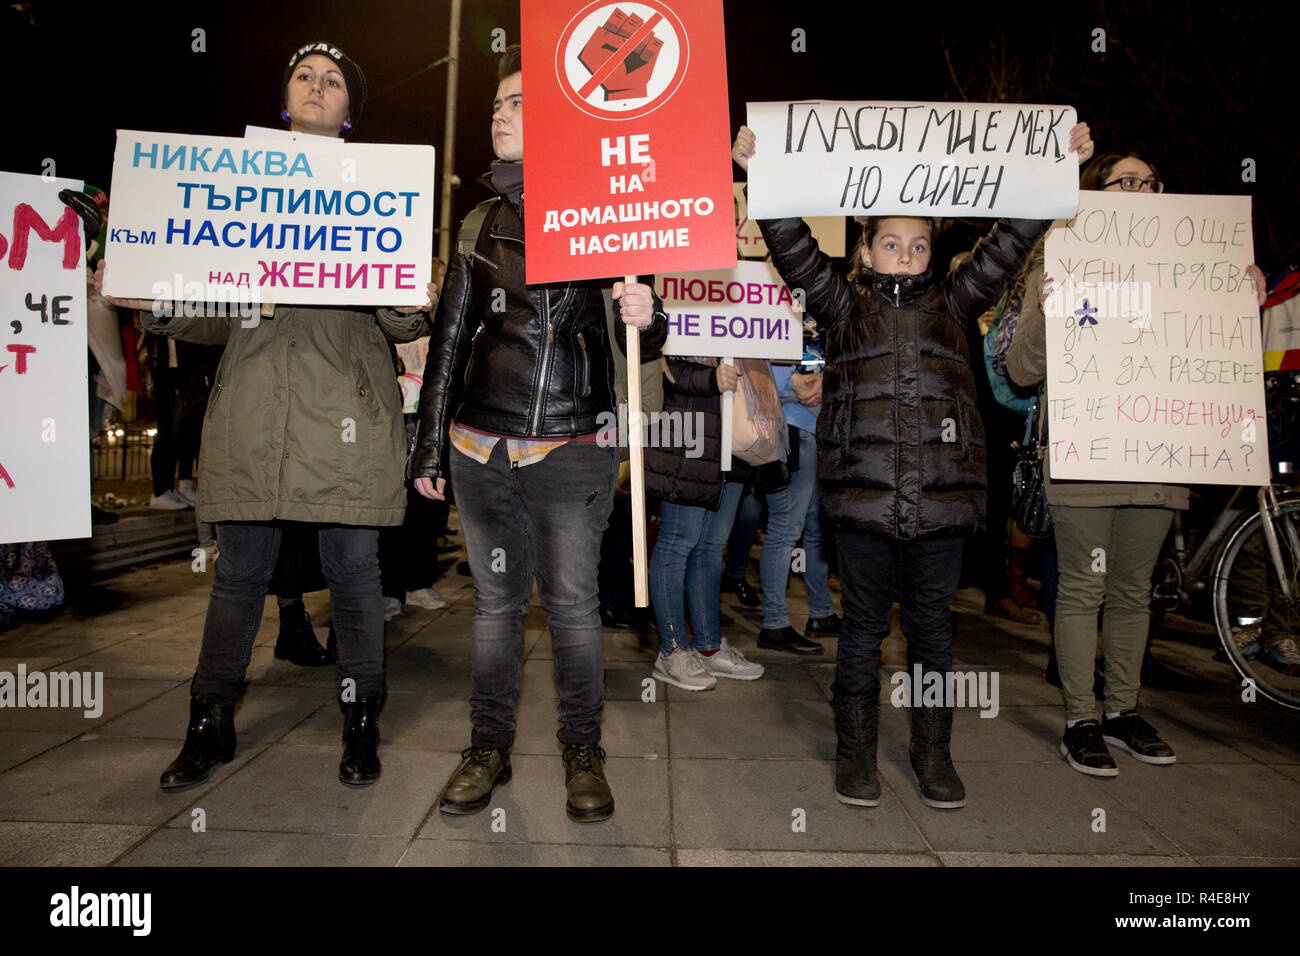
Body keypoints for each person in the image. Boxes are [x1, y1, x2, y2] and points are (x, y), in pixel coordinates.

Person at [97, 40, 435, 789]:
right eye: (305, 77)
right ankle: (208, 723)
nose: (319, 87)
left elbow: (401, 322)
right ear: (286, 100)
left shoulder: (383, 193)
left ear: (350, 111)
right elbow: (209, 314)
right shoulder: (239, 194)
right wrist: (153, 297)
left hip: (344, 418)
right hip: (254, 416)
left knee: (352, 575)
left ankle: (360, 720)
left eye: (335, 80)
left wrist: (412, 299)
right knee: (237, 576)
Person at [733, 120, 1093, 810]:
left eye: (918, 245)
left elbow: (1009, 243)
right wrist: (761, 175)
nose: (904, 256)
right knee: (863, 633)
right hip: (863, 508)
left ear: (932, 254)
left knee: (932, 637)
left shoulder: (957, 303)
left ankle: (934, 755)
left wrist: (1056, 173)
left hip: (942, 508)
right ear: (865, 251)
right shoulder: (840, 305)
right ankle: (854, 754)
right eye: (890, 243)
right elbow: (791, 244)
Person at [410, 46, 667, 824]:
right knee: (492, 609)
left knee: (572, 608)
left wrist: (646, 318)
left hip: (571, 446)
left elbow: (642, 345)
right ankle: (487, 748)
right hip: (479, 446)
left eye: (517, 102)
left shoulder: (606, 211)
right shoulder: (480, 220)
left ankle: (581, 752)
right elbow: (451, 340)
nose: (499, 113)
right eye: (495, 103)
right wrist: (429, 447)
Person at [1006, 151, 1269, 776]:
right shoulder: (1057, 259)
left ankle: (1122, 710)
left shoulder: (1198, 268)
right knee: (1081, 589)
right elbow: (1020, 372)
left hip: (1156, 460)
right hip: (1086, 457)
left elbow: (1220, 363)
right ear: (1097, 194)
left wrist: (1241, 301)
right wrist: (1047, 308)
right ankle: (1080, 719)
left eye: (1149, 180)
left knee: (1132, 592)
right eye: (1123, 179)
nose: (1138, 188)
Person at [647, 356, 765, 690]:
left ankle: (708, 645)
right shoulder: (670, 302)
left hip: (732, 435)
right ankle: (671, 651)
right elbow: (654, 361)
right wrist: (710, 378)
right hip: (690, 432)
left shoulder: (742, 305)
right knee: (678, 540)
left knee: (711, 546)